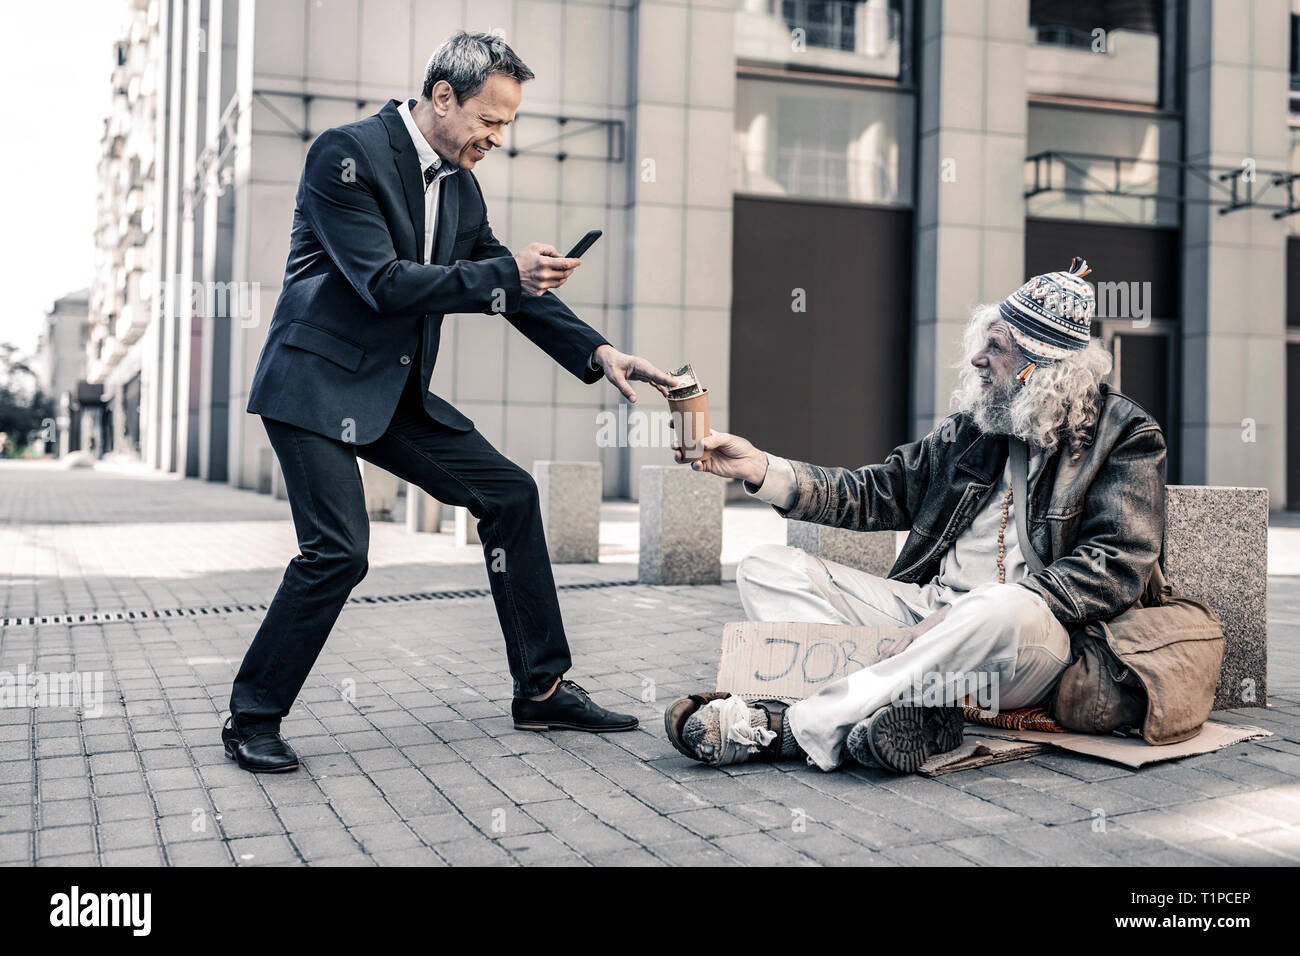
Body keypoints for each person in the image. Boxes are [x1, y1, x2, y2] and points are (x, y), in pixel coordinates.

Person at [226, 31, 678, 773]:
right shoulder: (346, 156)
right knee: (338, 551)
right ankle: (252, 717)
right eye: (490, 121)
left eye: (508, 124)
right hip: (312, 387)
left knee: (511, 496)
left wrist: (598, 351)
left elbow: (510, 291)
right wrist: (507, 270)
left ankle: (542, 689)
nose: (499, 138)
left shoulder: (461, 188)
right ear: (442, 97)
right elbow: (386, 282)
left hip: (391, 393)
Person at [665, 259, 1167, 773]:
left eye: (996, 347)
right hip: (927, 617)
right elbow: (878, 491)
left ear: (1041, 367)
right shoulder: (972, 428)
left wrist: (967, 612)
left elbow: (1115, 565)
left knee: (997, 608)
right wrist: (763, 468)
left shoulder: (1126, 436)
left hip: (1027, 640)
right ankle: (892, 715)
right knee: (765, 567)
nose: (976, 358)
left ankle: (794, 726)